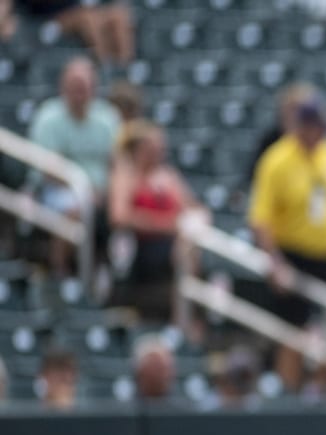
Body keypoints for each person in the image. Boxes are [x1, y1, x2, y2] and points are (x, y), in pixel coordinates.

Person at [246, 95, 326, 395]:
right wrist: (276, 263)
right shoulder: (276, 160)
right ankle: (289, 396)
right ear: (304, 126)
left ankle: (317, 387)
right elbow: (260, 218)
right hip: (293, 255)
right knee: (292, 331)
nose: (322, 133)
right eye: (318, 126)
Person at [107, 119, 204, 335]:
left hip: (172, 244)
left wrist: (196, 219)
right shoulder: (127, 174)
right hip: (140, 247)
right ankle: (184, 317)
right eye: (150, 147)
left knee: (188, 248)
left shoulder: (168, 176)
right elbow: (120, 216)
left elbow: (192, 208)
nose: (156, 153)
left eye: (159, 147)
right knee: (183, 250)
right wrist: (165, 224)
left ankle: (190, 314)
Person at [27, 56, 119, 278]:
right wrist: (87, 192)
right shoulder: (48, 118)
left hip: (102, 191)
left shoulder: (107, 117)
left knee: (126, 208)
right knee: (74, 209)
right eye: (75, 88)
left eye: (84, 88)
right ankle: (60, 273)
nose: (80, 93)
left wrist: (109, 191)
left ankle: (111, 275)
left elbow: (116, 163)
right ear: (63, 88)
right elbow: (49, 170)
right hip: (57, 189)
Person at [1, 0, 135, 66]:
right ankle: (102, 64)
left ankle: (124, 68)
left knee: (118, 15)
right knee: (87, 19)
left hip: (76, 12)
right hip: (44, 20)